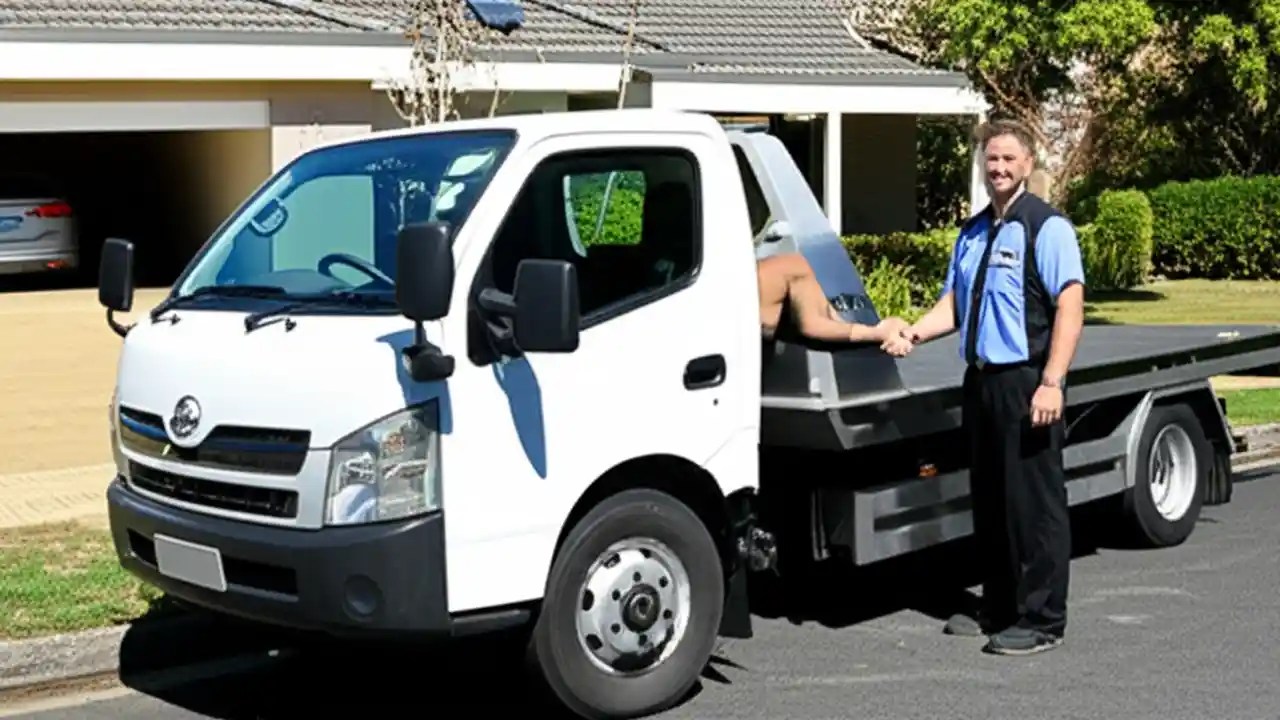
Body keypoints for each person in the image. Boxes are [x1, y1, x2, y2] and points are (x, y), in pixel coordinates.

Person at [895, 118, 1086, 656]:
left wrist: (1052, 382)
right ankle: (1000, 606)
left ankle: (1043, 619)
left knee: (1034, 505)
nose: (998, 167)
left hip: (1026, 381)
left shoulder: (1047, 227)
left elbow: (1070, 306)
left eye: (1008, 158)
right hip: (980, 382)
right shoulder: (974, 231)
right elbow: (956, 303)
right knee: (993, 500)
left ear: (1027, 164)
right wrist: (914, 332)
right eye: (991, 159)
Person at [758, 251, 913, 352]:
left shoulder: (772, 269)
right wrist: (878, 333)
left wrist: (884, 329)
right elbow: (814, 325)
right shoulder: (788, 267)